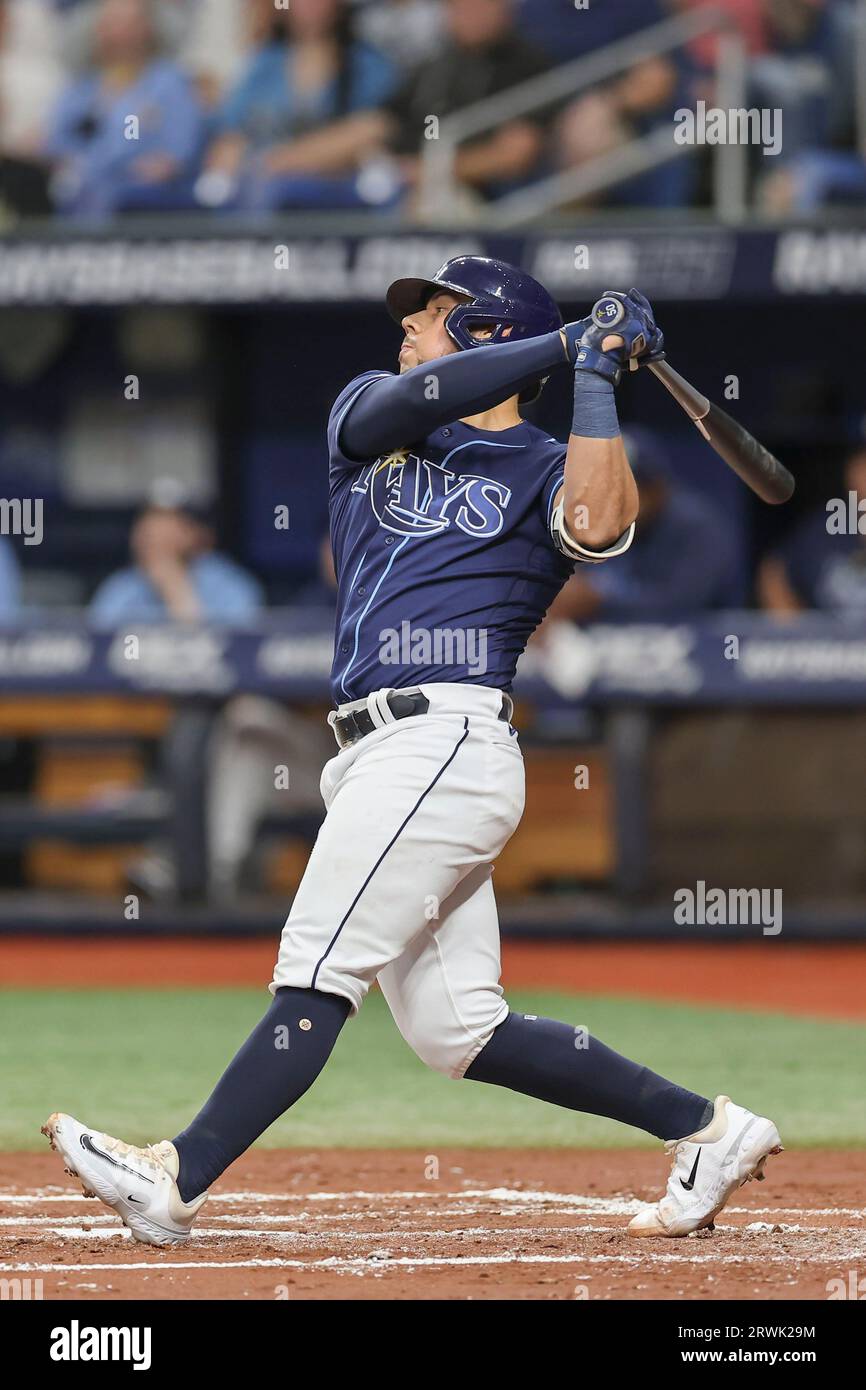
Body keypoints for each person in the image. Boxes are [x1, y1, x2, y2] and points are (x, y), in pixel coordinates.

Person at [43, 259, 781, 1246]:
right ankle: (706, 1131)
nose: (407, 331)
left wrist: (598, 376)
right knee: (457, 1030)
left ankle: (177, 1176)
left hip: (446, 738)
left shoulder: (548, 465)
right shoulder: (374, 417)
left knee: (318, 961)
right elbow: (415, 398)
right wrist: (571, 342)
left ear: (489, 333)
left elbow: (601, 526)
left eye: (434, 316)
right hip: (373, 750)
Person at [196, 0, 397, 212]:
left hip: (341, 192)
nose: (310, 6)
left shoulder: (367, 64)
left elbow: (374, 129)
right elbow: (231, 131)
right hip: (266, 196)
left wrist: (280, 162)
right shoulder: (264, 64)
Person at [539, 426, 742, 628]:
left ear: (656, 488)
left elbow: (680, 604)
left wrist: (598, 601)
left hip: (709, 641)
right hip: (618, 641)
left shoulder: (697, 528)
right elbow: (581, 583)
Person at [45, 0, 205, 216]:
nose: (120, 33)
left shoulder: (170, 84)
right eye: (112, 23)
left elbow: (178, 151)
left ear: (148, 28)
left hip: (148, 201)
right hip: (84, 197)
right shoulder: (81, 89)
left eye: (129, 23)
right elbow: (60, 146)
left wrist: (149, 167)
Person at [89, 486, 262, 625]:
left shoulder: (230, 585)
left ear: (197, 534)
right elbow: (98, 643)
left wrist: (175, 589)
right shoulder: (123, 586)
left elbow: (239, 647)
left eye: (168, 526)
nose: (154, 535)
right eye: (148, 526)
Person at [757, 445, 866, 614]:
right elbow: (774, 570)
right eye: (862, 465)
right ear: (851, 470)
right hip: (830, 630)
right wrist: (795, 625)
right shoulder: (826, 528)